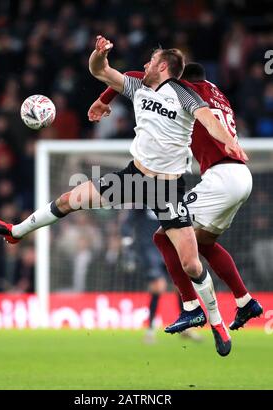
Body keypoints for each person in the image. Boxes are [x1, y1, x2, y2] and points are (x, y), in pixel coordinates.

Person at [0, 36, 246, 356]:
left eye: (151, 61)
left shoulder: (185, 94)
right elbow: (101, 71)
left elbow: (209, 120)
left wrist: (230, 142)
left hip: (168, 188)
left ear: (163, 66)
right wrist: (98, 54)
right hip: (133, 177)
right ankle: (15, 232)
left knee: (191, 263)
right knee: (69, 200)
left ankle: (217, 324)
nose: (144, 64)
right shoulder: (138, 86)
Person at [88, 61, 263, 342]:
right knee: (203, 244)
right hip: (241, 176)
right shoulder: (218, 93)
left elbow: (133, 76)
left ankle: (190, 306)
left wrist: (103, 98)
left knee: (164, 237)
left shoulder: (184, 91)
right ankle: (245, 301)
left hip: (221, 176)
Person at [121, 208, 203, 344]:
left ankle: (186, 328)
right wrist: (127, 245)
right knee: (158, 286)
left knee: (181, 285)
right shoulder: (144, 198)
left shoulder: (171, 198)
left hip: (170, 246)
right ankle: (151, 329)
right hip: (149, 248)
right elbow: (128, 222)